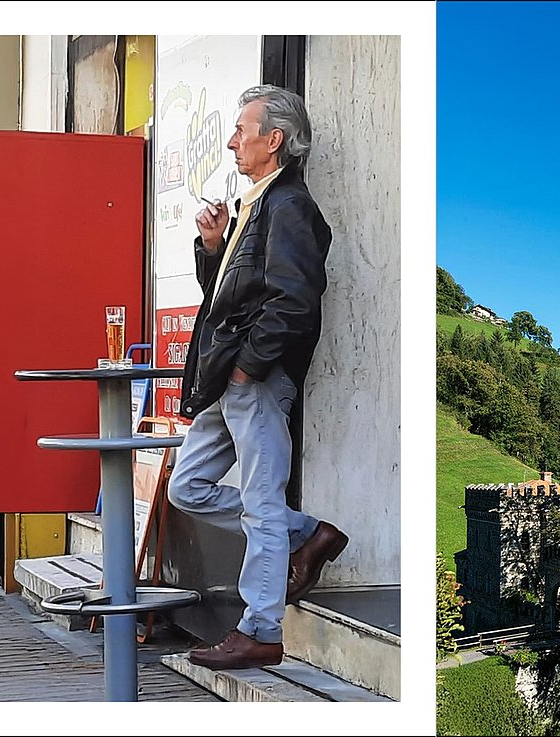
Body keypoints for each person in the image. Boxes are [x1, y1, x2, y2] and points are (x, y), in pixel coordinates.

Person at [168, 85, 348, 670]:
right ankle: (308, 533)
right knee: (186, 486)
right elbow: (229, 298)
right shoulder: (256, 205)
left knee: (260, 504)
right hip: (232, 379)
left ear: (274, 141)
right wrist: (213, 247)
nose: (230, 141)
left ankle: (261, 629)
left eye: (241, 130)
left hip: (254, 380)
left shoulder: (289, 206)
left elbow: (295, 301)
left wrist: (248, 367)